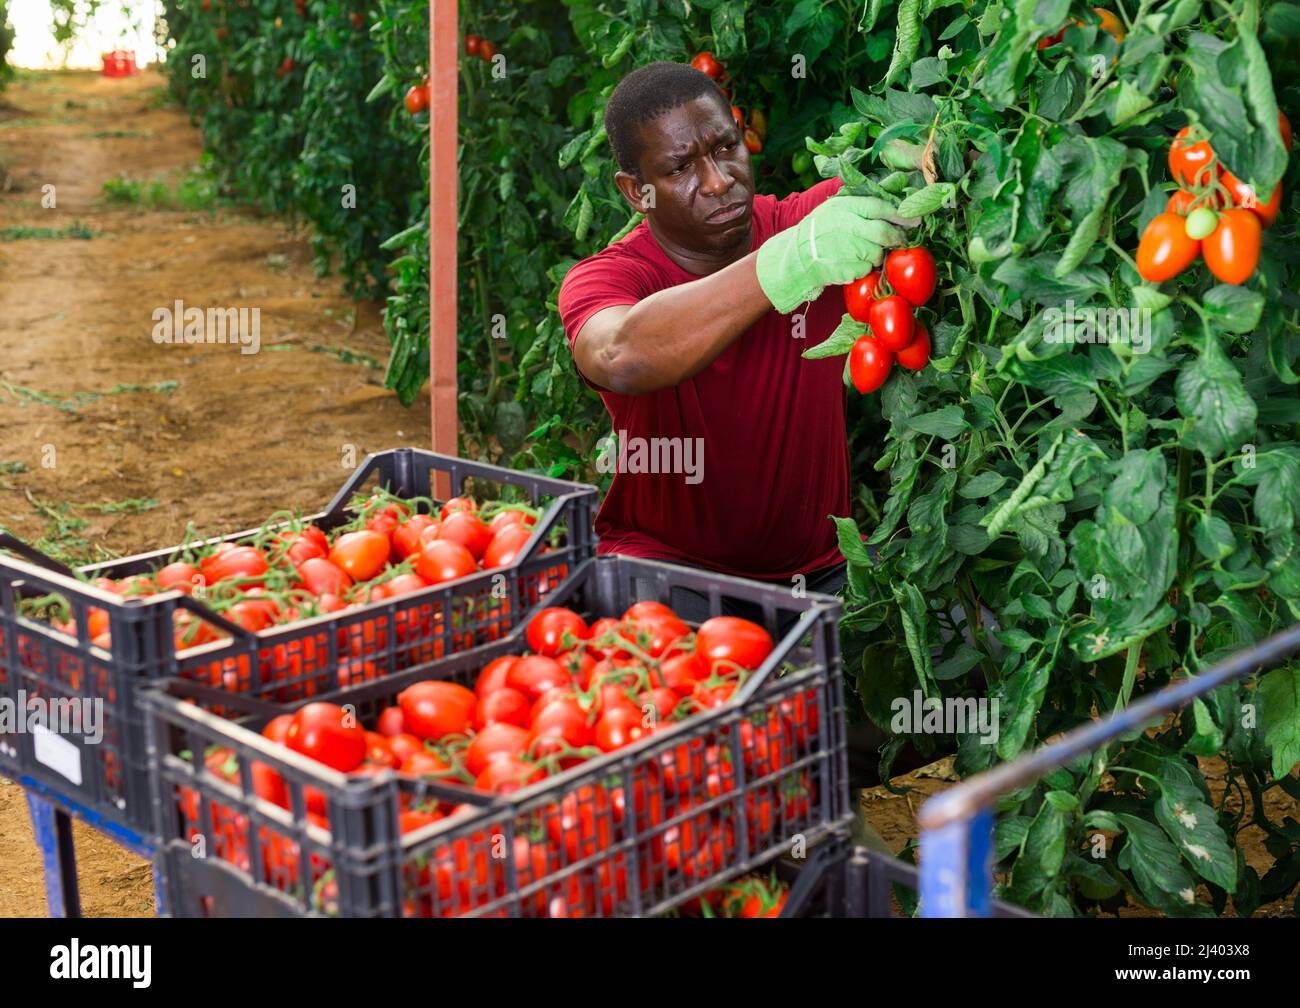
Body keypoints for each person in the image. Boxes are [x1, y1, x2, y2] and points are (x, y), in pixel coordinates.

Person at [558, 61, 912, 623]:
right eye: (681, 168)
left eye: (726, 147)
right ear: (636, 192)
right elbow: (619, 353)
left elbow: (931, 169)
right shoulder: (612, 279)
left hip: (823, 568)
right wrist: (790, 264)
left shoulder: (807, 223)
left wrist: (925, 154)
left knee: (936, 639)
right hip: (666, 570)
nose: (719, 180)